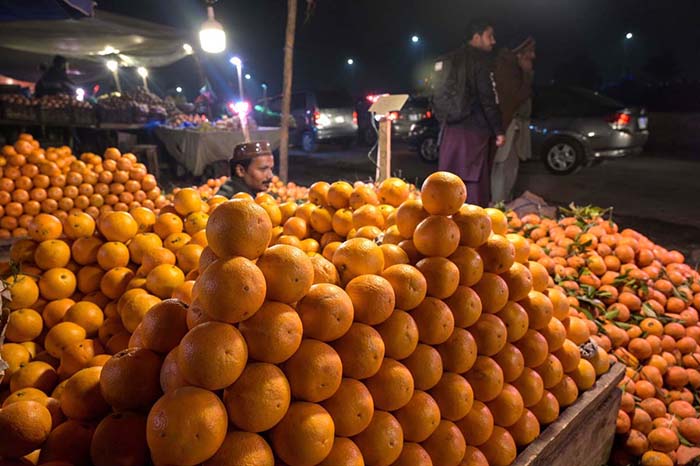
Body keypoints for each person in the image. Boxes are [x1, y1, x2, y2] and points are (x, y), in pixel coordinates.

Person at [438, 18, 505, 207]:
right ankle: (473, 230)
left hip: (450, 131)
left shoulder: (449, 59)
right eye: (489, 36)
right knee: (473, 185)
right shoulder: (480, 62)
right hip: (474, 133)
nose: (493, 41)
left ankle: (444, 225)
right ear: (476, 37)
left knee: (447, 182)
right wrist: (498, 130)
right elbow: (487, 98)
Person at [491, 37, 536, 204]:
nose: (533, 55)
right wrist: (526, 74)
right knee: (501, 166)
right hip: (507, 124)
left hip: (514, 126)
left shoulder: (514, 67)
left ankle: (505, 204)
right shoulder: (506, 68)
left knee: (511, 167)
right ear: (519, 52)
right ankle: (497, 207)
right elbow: (516, 97)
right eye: (530, 51)